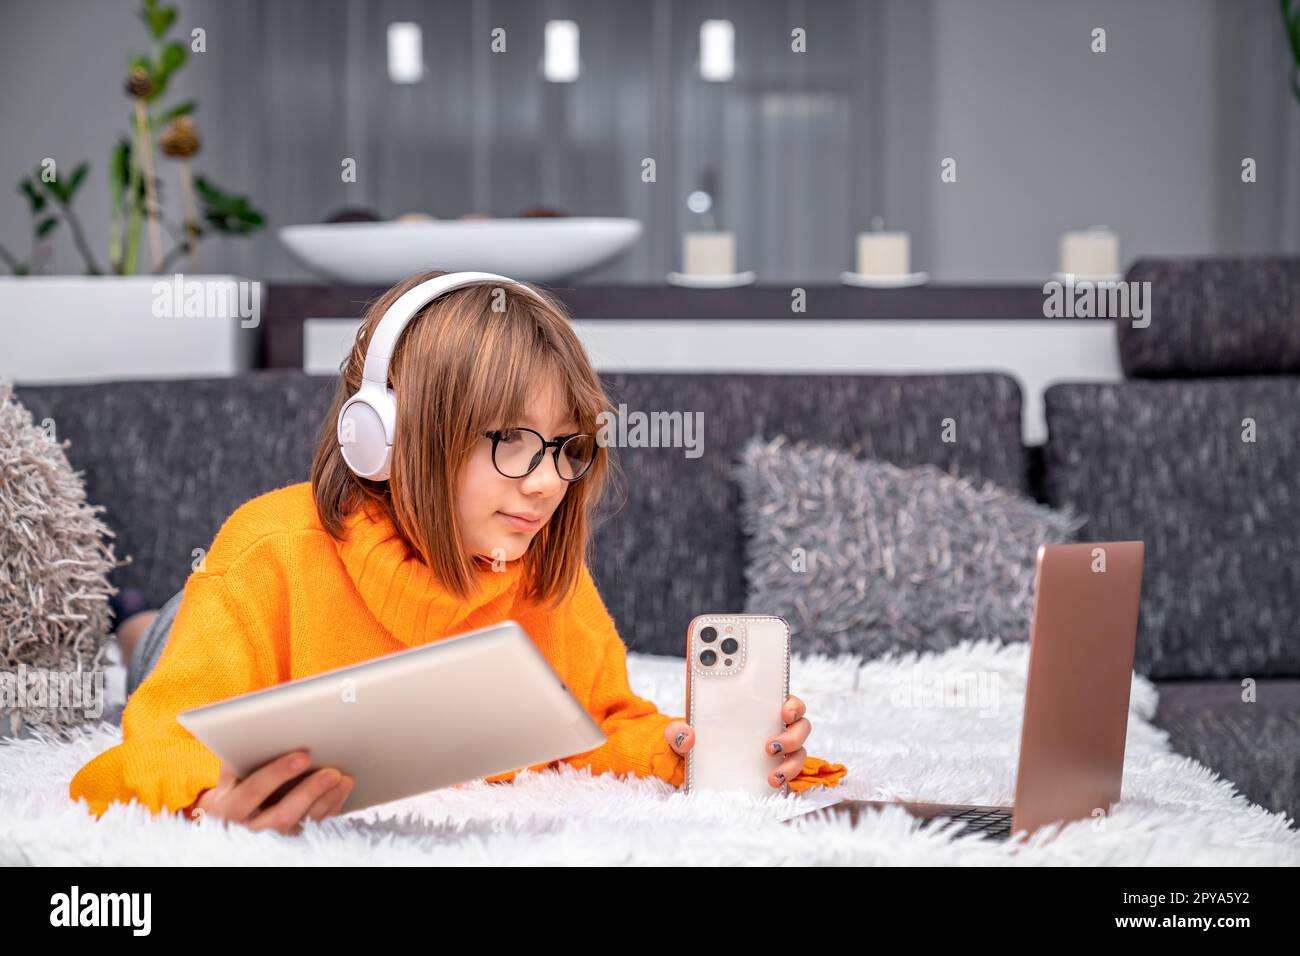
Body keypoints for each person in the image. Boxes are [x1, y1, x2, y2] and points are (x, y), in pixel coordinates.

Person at [71, 270, 847, 834]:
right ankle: (134, 621)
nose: (547, 484)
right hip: (201, 632)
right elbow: (147, 752)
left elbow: (604, 718)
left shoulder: (541, 565)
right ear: (384, 439)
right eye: (510, 442)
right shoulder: (268, 555)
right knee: (152, 646)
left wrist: (688, 751)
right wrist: (210, 801)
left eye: (565, 448)